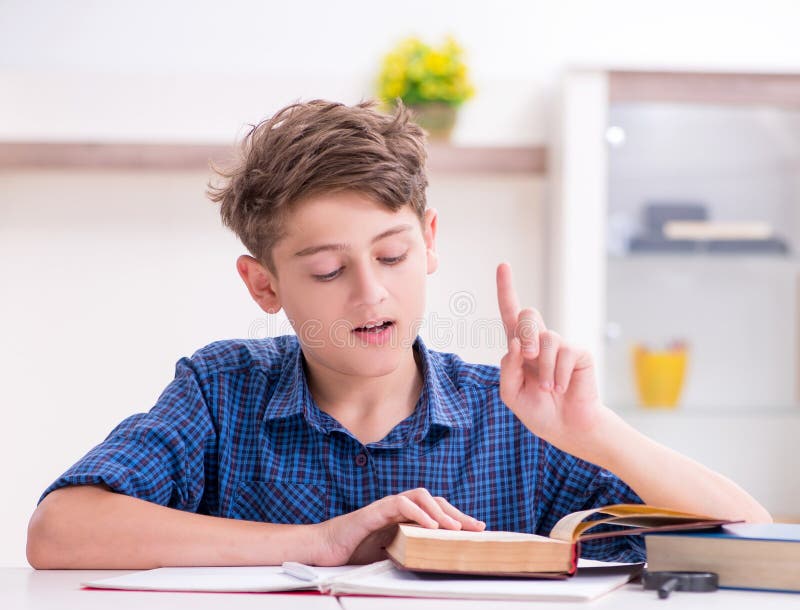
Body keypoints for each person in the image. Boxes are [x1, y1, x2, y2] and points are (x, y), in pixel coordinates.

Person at [26, 99, 771, 569]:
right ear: (263, 285)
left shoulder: (515, 419)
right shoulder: (223, 390)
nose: (372, 292)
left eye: (391, 255)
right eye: (326, 269)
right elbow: (59, 530)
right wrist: (315, 542)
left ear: (431, 240)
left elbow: (746, 537)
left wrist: (597, 431)